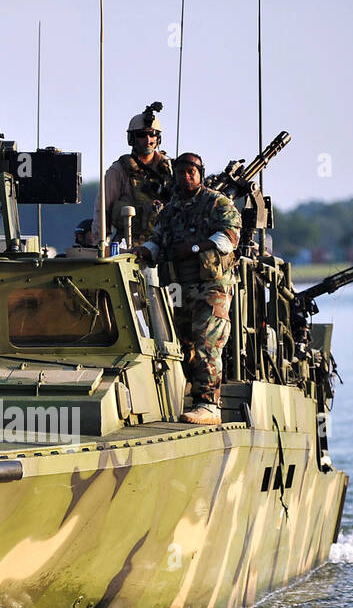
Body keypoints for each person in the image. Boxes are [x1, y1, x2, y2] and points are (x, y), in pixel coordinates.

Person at [133, 152, 242, 426]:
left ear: (200, 173)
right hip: (179, 287)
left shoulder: (218, 203)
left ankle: (208, 404)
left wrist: (194, 247)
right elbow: (158, 238)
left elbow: (229, 236)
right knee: (182, 344)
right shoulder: (171, 209)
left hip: (211, 287)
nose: (186, 176)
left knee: (207, 342)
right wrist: (145, 252)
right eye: (182, 172)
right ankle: (183, 397)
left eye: (192, 171)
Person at [90, 103, 173, 247]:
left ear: (158, 138)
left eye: (152, 134)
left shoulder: (170, 169)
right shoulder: (119, 171)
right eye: (142, 135)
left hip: (164, 241)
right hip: (129, 243)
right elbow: (102, 210)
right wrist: (101, 243)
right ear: (132, 138)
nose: (148, 139)